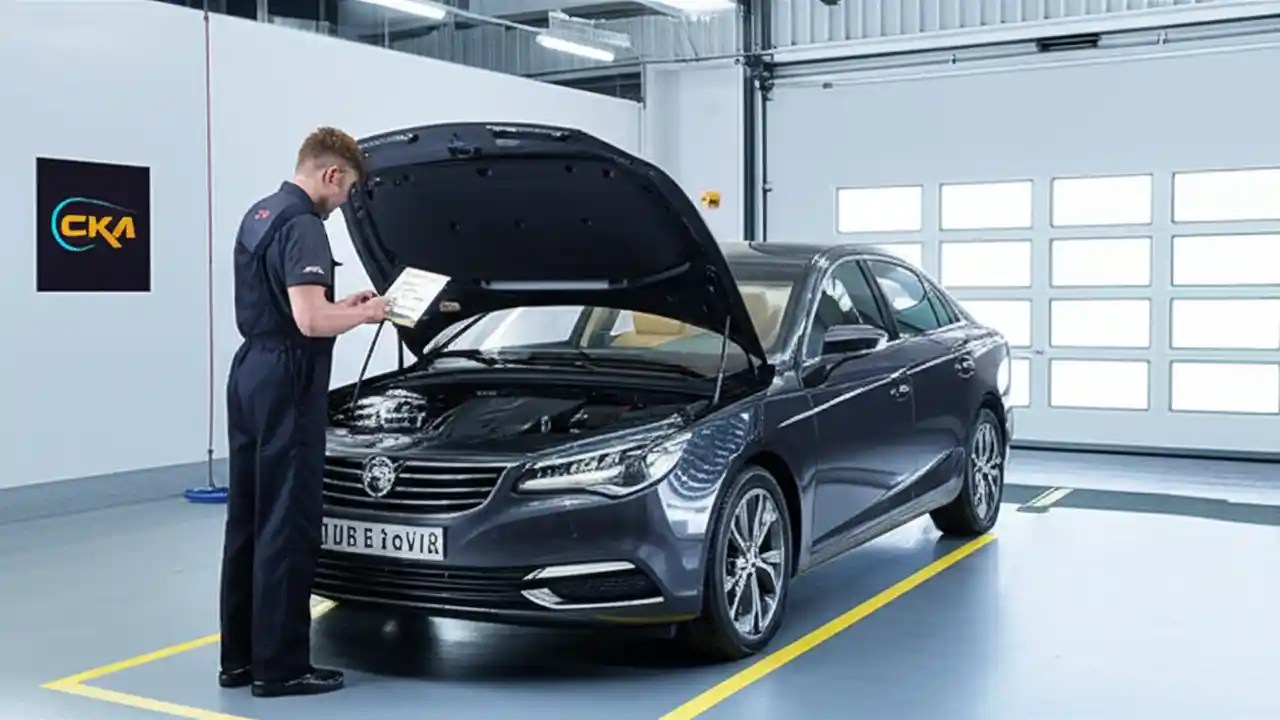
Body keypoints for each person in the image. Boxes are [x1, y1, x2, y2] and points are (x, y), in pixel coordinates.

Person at [217, 127, 388, 698]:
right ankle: (282, 666)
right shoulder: (306, 226)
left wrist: (345, 305)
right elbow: (310, 323)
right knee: (287, 524)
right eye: (348, 192)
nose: (344, 205)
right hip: (289, 377)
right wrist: (370, 315)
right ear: (332, 175)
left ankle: (239, 660)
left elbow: (293, 308)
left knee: (247, 518)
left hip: (249, 372)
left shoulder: (260, 214)